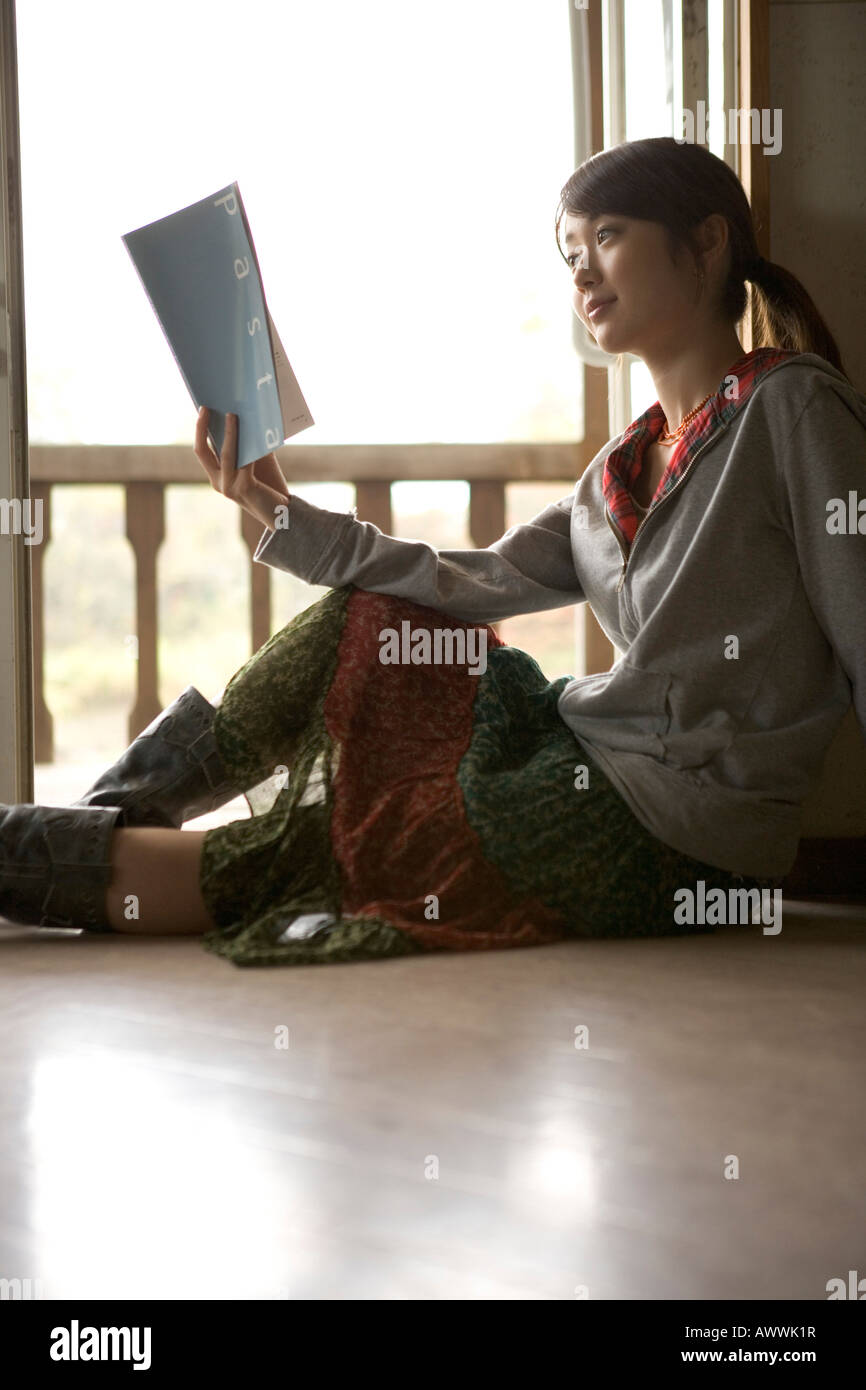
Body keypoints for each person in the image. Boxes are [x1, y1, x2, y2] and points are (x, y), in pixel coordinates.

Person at [2, 136, 864, 966]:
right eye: (569, 253)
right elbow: (464, 581)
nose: (581, 272)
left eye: (606, 236)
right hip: (573, 747)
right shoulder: (614, 471)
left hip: (684, 827)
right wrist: (276, 507)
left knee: (348, 846)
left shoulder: (792, 409)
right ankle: (85, 827)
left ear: (707, 242)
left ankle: (37, 852)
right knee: (370, 616)